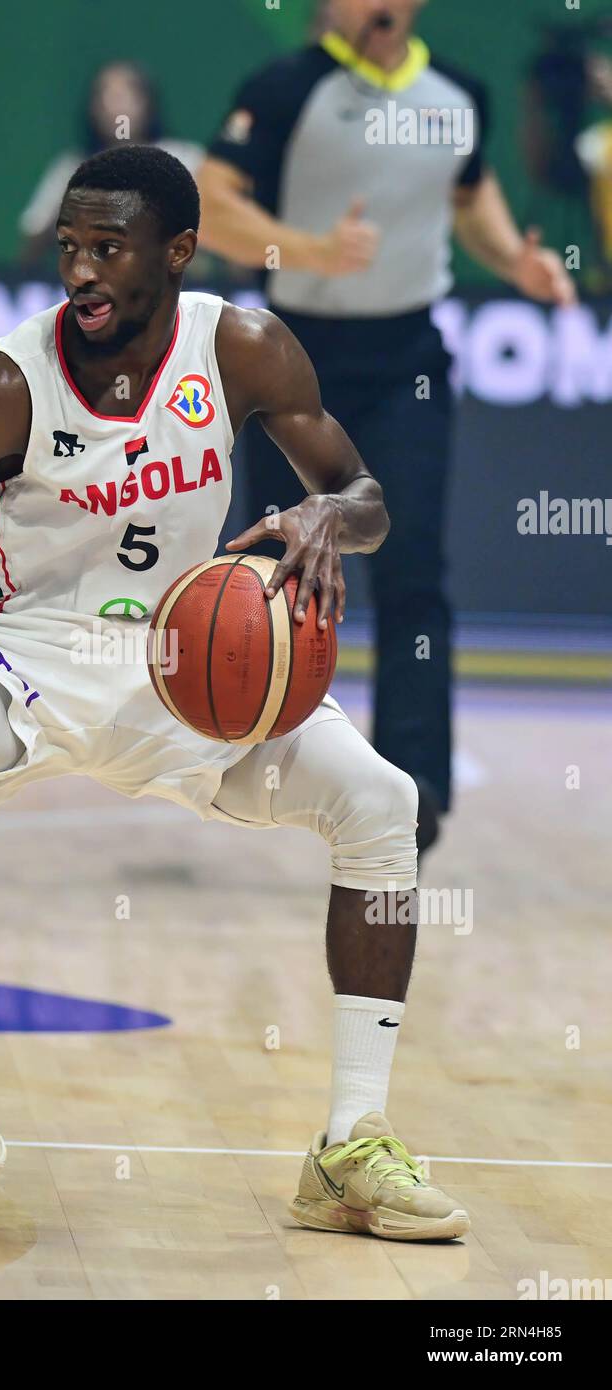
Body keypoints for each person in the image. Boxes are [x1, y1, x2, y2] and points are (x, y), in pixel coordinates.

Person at [0, 143, 469, 1241]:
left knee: (381, 803)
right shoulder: (5, 382)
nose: (82, 272)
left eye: (109, 249)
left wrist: (333, 516)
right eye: (69, 249)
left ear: (179, 251)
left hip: (191, 672)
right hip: (23, 655)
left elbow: (368, 495)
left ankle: (350, 1144)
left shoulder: (239, 345)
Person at [197, 0, 575, 853]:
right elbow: (214, 207)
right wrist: (306, 249)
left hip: (406, 358)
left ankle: (414, 785)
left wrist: (514, 256)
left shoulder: (455, 93)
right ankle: (258, 756)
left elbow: (468, 195)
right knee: (272, 560)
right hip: (294, 357)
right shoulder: (285, 88)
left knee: (409, 571)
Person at [19, 61, 203, 269]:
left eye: (125, 93)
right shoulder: (69, 168)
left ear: (147, 103)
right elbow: (33, 239)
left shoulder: (186, 159)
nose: (114, 103)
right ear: (92, 109)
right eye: (105, 94)